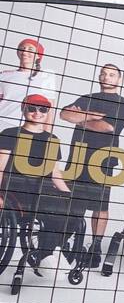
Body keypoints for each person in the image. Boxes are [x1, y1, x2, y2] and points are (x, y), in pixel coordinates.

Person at [59, 63, 124, 269]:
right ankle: (70, 243)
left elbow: (108, 127)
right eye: (104, 73)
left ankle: (96, 246)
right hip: (78, 157)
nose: (106, 77)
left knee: (100, 206)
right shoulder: (86, 97)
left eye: (111, 74)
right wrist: (91, 116)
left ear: (119, 79)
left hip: (103, 159)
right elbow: (64, 114)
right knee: (74, 203)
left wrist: (80, 118)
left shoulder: (123, 103)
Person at [0, 94, 76, 270]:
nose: (37, 113)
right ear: (23, 109)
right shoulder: (10, 134)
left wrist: (68, 194)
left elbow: (54, 173)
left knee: (73, 211)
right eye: (32, 108)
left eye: (43, 109)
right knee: (49, 209)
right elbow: (1, 167)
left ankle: (49, 250)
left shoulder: (52, 139)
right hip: (15, 189)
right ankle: (47, 256)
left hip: (42, 188)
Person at [0, 38, 60, 127]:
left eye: (30, 50)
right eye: (22, 49)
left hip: (27, 127)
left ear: (38, 56)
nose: (24, 52)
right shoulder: (4, 75)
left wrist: (47, 134)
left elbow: (49, 110)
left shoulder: (46, 76)